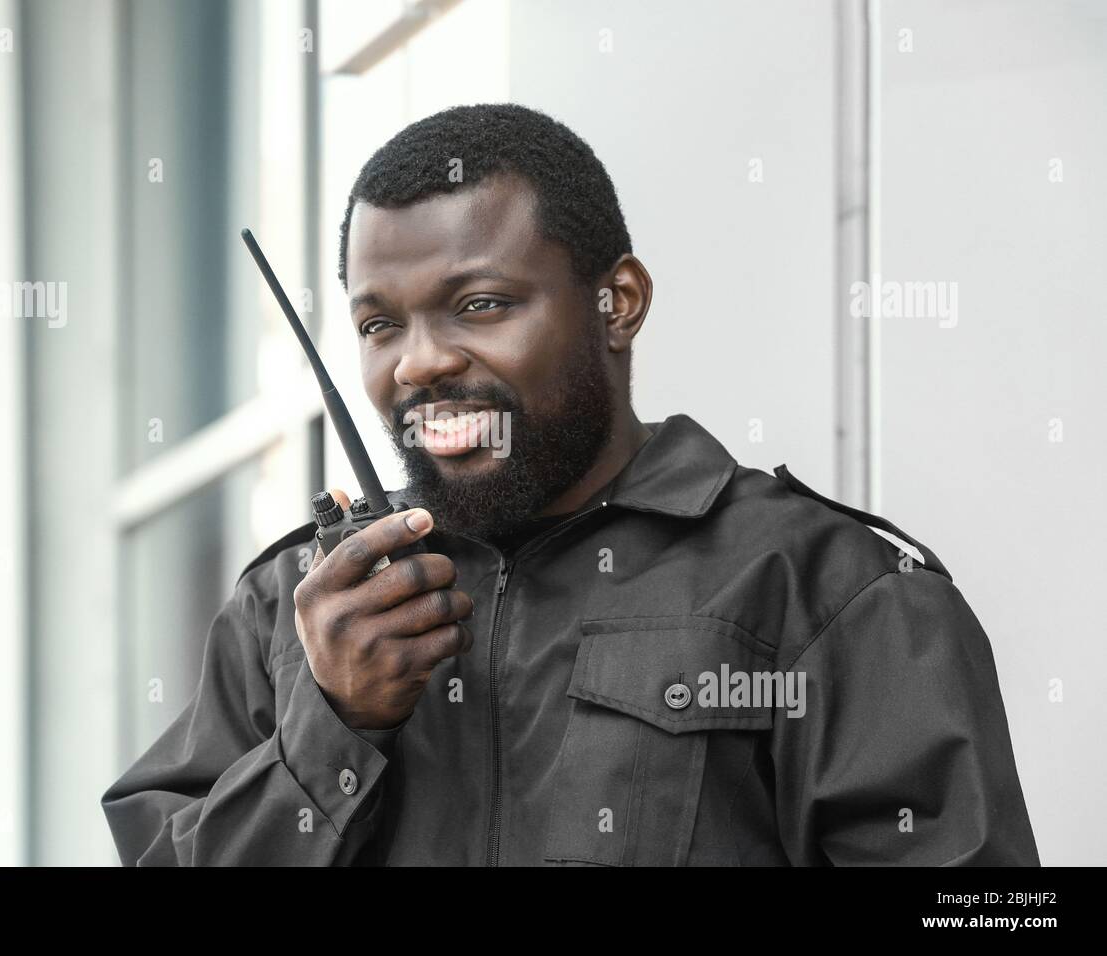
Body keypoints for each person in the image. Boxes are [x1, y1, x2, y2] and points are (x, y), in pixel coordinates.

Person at [101, 103, 1039, 866]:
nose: (419, 364)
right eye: (379, 324)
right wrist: (331, 729)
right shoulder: (292, 612)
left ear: (616, 303)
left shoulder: (826, 590)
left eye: (479, 305)